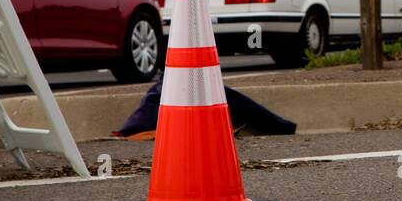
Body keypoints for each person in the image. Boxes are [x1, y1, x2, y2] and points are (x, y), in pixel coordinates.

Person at [114, 69, 296, 138]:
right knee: (220, 95)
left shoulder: (160, 89)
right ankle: (281, 126)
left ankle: (281, 126)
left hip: (143, 122)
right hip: (152, 121)